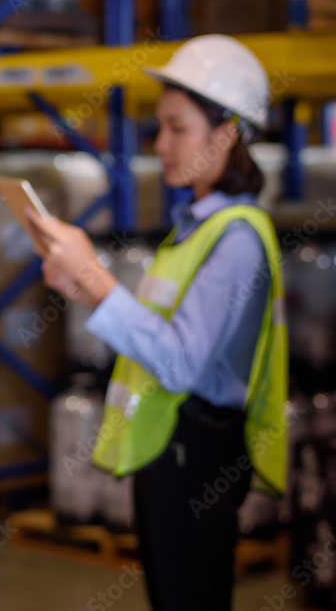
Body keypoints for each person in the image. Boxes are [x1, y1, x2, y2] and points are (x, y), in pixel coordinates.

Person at [27, 34, 288, 610]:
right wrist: (83, 288)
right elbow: (153, 326)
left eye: (178, 128)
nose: (161, 144)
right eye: (160, 128)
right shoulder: (194, 227)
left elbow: (180, 360)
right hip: (171, 449)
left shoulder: (238, 237)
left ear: (227, 134)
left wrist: (94, 274)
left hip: (201, 452)